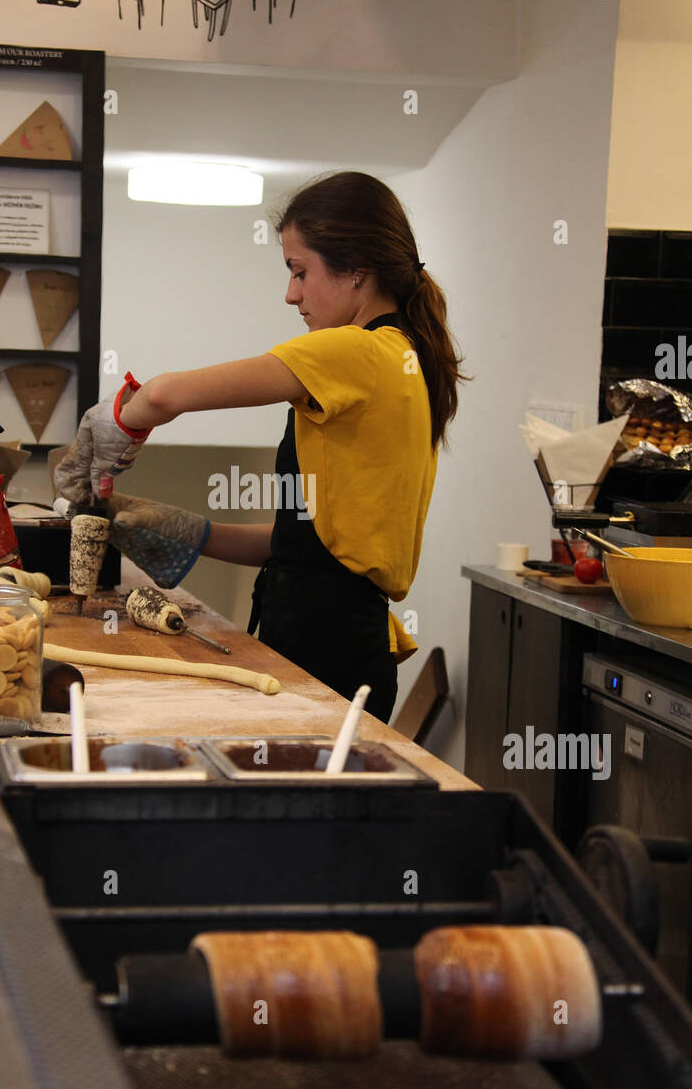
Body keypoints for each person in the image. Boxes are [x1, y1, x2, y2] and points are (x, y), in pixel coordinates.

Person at [54, 171, 466, 722]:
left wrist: (109, 427)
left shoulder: (358, 353)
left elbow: (168, 394)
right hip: (337, 636)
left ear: (357, 272)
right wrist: (188, 531)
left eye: (300, 272)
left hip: (327, 646)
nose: (290, 293)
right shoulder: (398, 360)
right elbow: (303, 547)